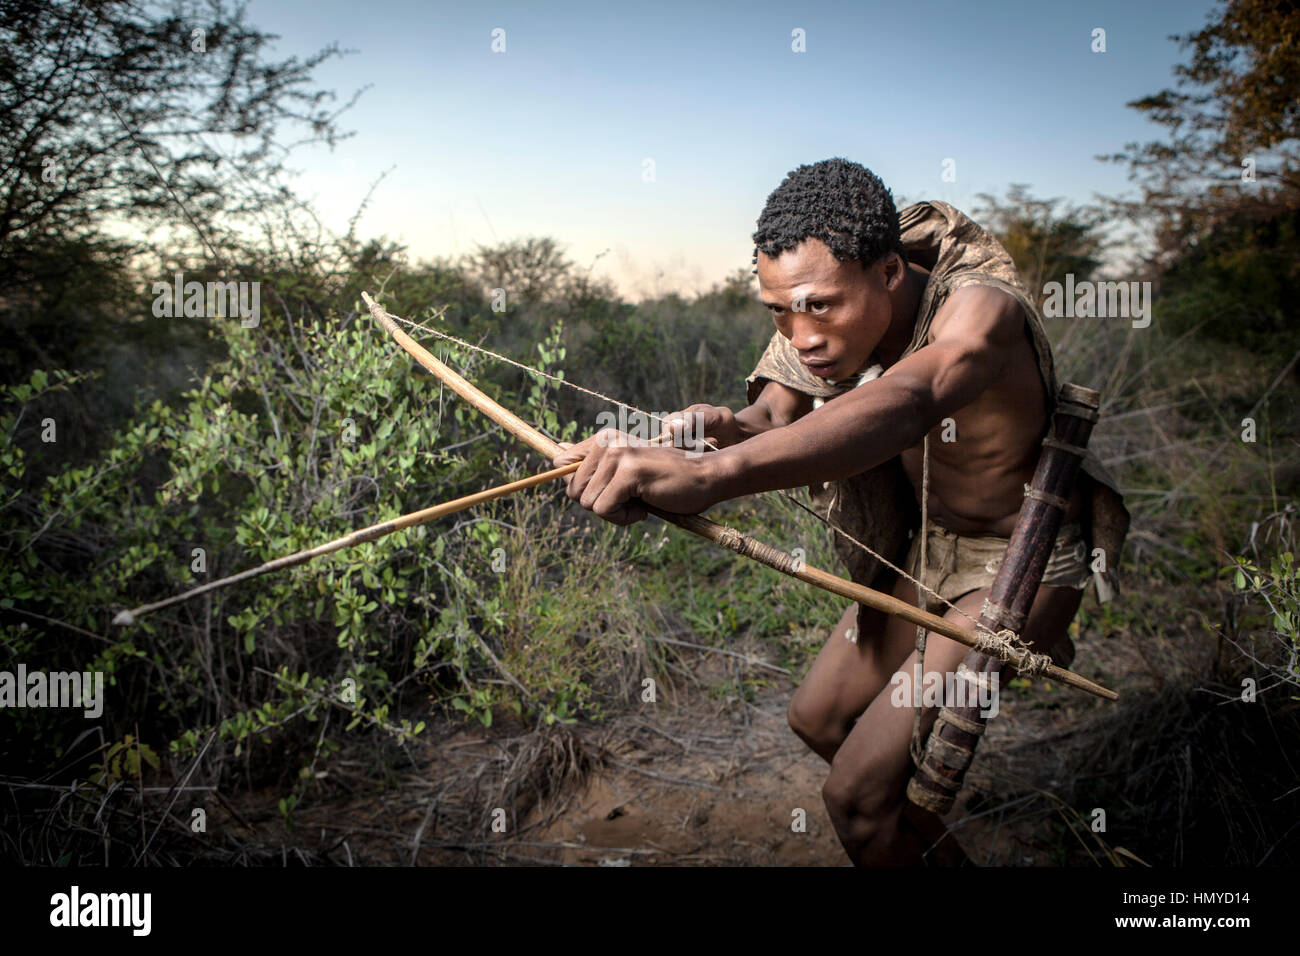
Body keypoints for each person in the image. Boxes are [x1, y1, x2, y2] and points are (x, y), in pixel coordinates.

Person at [551, 158, 1129, 865]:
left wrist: (717, 476)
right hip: (928, 553)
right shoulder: (813, 312)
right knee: (819, 721)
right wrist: (670, 438)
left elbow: (913, 396)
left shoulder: (979, 310)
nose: (801, 336)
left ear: (888, 272)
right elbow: (765, 415)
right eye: (779, 311)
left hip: (1021, 567)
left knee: (854, 800)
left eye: (819, 307)